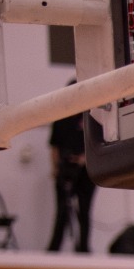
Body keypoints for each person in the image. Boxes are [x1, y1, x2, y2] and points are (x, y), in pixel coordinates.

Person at [46, 106, 96, 252]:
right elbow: (54, 146)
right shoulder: (61, 119)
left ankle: (84, 247)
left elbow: (97, 144)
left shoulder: (91, 117)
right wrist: (55, 168)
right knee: (62, 211)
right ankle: (54, 248)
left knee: (84, 211)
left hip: (86, 171)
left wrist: (84, 159)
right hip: (65, 169)